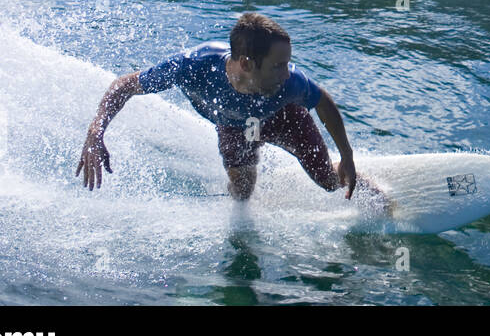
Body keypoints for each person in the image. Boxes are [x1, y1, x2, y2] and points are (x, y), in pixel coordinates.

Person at [76, 11, 360, 201]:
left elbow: (322, 101)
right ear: (247, 64)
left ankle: (368, 189)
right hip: (234, 127)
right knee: (242, 194)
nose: (287, 73)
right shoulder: (193, 66)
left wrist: (346, 154)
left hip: (284, 117)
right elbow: (126, 84)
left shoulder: (290, 84)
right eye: (278, 66)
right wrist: (96, 130)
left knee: (328, 181)